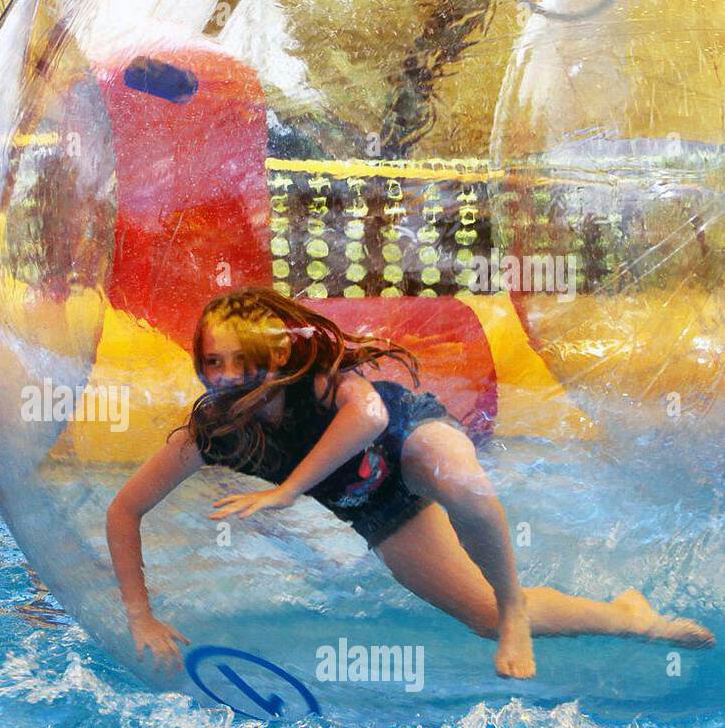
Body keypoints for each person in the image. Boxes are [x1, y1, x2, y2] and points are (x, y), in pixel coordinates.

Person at [106, 288, 713, 679]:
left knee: (457, 478)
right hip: (373, 504)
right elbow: (124, 510)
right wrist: (140, 616)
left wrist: (288, 489)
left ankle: (515, 612)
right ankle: (634, 618)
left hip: (406, 437)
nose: (230, 376)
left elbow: (369, 417)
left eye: (247, 359)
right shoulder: (215, 432)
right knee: (477, 617)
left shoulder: (320, 381)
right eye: (214, 361)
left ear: (283, 356)